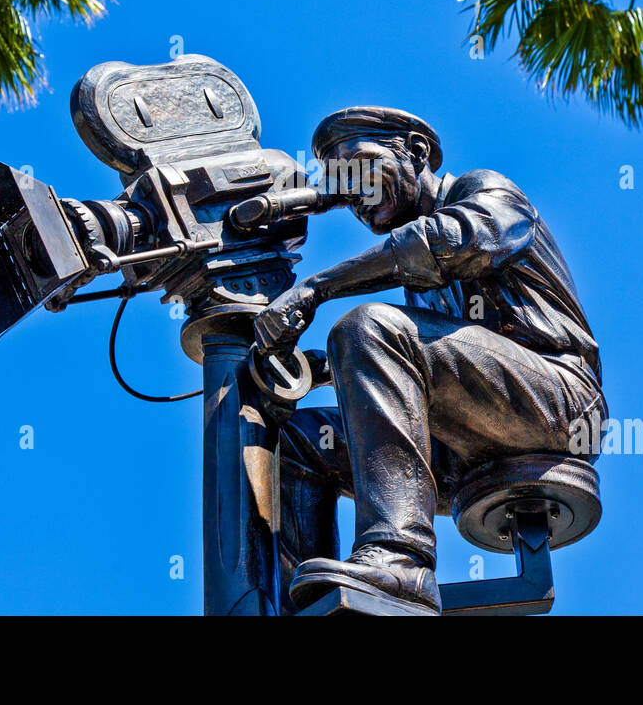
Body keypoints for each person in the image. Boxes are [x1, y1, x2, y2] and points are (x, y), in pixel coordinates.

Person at [253, 106, 606, 615]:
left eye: (359, 169)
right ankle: (310, 601)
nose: (353, 195)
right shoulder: (417, 292)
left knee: (368, 326)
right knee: (301, 440)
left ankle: (399, 562)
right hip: (463, 442)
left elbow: (450, 243)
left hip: (562, 406)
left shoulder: (483, 193)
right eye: (338, 186)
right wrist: (316, 367)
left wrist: (315, 288)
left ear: (415, 153)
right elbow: (433, 360)